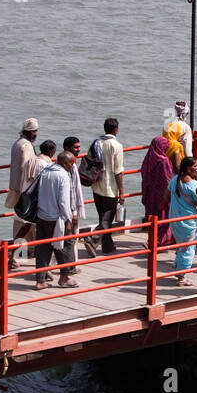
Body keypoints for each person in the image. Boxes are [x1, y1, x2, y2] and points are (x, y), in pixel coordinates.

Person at [32, 151, 75, 288]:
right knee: (65, 247)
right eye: (71, 163)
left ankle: (40, 280)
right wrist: (68, 219)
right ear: (64, 163)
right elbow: (63, 202)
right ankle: (64, 277)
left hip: (42, 216)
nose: (73, 166)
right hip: (57, 219)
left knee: (42, 248)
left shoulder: (45, 171)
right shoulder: (63, 175)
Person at [5, 119, 39, 270]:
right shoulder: (25, 146)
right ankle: (17, 258)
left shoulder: (17, 143)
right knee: (23, 224)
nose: (36, 134)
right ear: (29, 132)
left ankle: (26, 253)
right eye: (34, 131)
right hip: (24, 191)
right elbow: (27, 169)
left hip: (18, 189)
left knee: (26, 224)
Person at [168, 156, 197, 286]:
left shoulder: (174, 180)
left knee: (181, 245)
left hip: (175, 219)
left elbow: (166, 197)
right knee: (188, 249)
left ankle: (178, 267)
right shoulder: (193, 185)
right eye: (195, 166)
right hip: (189, 222)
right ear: (188, 168)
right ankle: (181, 276)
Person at [89, 120, 125, 254]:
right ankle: (92, 240)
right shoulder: (116, 146)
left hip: (96, 185)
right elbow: (118, 171)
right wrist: (121, 191)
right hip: (110, 187)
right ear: (116, 129)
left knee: (102, 218)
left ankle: (107, 246)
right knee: (107, 219)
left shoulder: (96, 142)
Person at [141, 133, 176, 247]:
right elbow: (168, 180)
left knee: (153, 218)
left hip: (149, 194)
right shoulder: (164, 161)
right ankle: (156, 242)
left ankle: (153, 239)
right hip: (162, 195)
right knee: (164, 218)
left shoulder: (148, 159)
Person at [60, 136, 88, 271]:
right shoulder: (68, 166)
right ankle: (70, 267)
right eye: (76, 147)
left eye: (79, 147)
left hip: (70, 209)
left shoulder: (72, 164)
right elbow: (70, 190)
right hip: (70, 210)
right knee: (70, 239)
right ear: (67, 148)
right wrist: (74, 212)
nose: (79, 150)